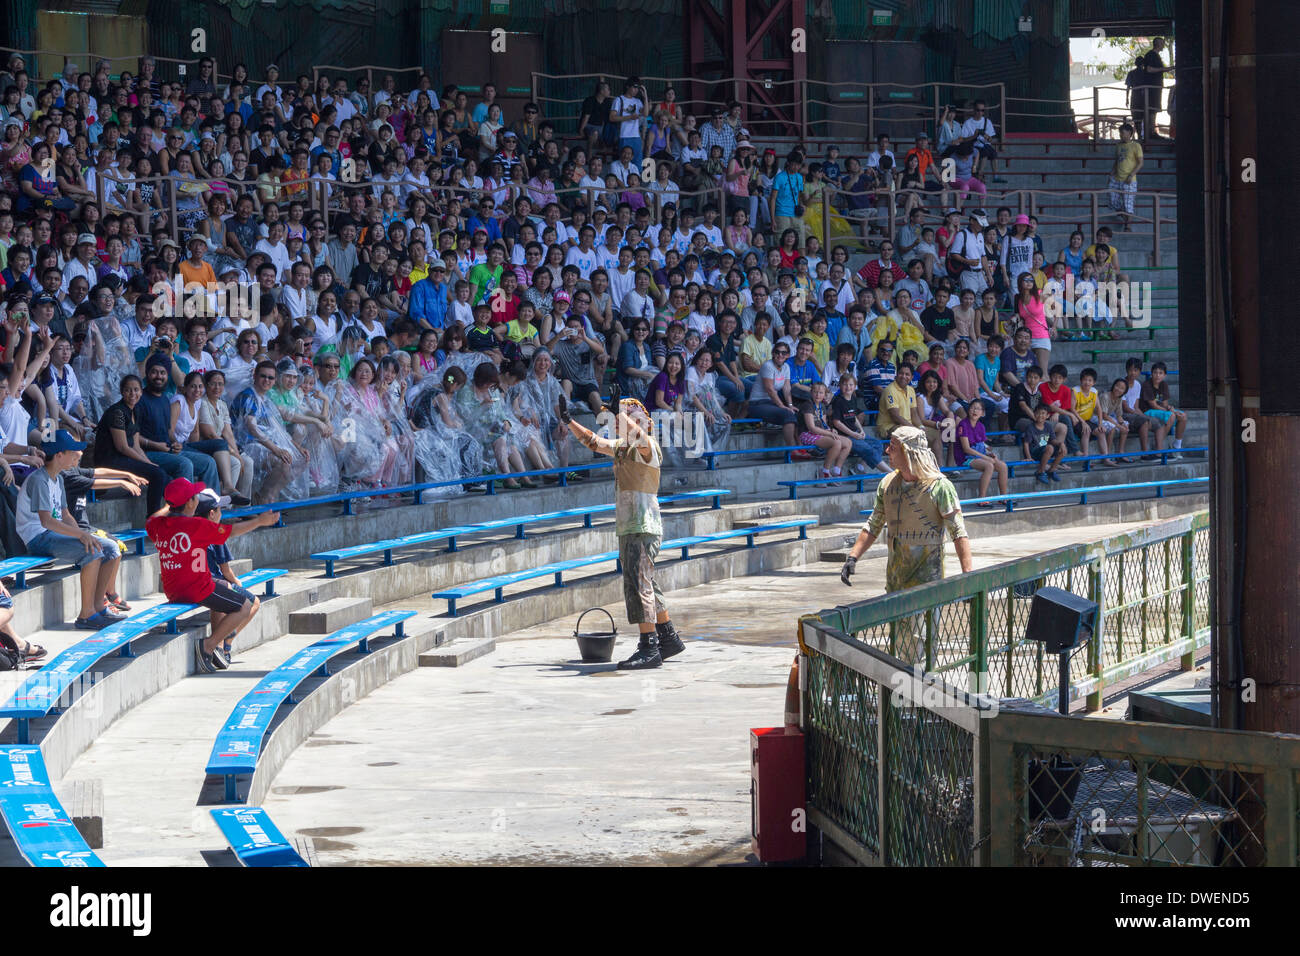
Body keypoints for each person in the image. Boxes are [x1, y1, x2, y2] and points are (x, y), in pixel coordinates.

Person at [559, 385, 684, 670]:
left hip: (642, 525)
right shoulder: (622, 448)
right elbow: (593, 442)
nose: (623, 419)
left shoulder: (648, 445)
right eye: (621, 415)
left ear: (646, 421)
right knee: (646, 582)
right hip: (631, 526)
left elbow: (635, 434)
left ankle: (648, 647)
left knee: (638, 585)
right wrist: (569, 421)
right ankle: (668, 638)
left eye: (630, 414)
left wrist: (618, 413)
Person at [839, 426, 972, 664]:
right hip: (895, 582)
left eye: (893, 447)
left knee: (921, 643)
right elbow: (874, 524)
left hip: (926, 583)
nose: (887, 451)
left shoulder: (939, 487)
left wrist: (967, 575)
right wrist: (853, 557)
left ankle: (921, 685)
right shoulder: (888, 484)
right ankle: (902, 683)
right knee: (899, 643)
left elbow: (958, 532)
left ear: (909, 451)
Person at [145, 477, 278, 672]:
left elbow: (151, 519)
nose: (197, 499)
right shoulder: (197, 525)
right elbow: (232, 531)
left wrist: (169, 506)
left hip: (173, 589)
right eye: (194, 496)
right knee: (244, 606)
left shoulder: (158, 525)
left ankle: (219, 645)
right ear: (190, 503)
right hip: (197, 589)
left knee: (225, 587)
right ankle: (209, 645)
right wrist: (259, 521)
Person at [16, 429, 124, 630]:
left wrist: (84, 535)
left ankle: (99, 607)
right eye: (72, 452)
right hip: (38, 537)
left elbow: (65, 515)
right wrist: (81, 535)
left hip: (52, 533)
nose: (77, 456)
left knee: (111, 547)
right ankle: (86, 615)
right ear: (59, 455)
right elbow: (46, 521)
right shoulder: (39, 480)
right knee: (93, 552)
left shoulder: (57, 478)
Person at [1108, 124, 1143, 232]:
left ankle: (1128, 226)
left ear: (1129, 133)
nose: (1121, 135)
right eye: (1120, 133)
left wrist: (1131, 174)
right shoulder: (1118, 146)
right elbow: (1117, 161)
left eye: (1123, 133)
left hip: (1129, 179)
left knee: (1128, 203)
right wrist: (1111, 173)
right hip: (1117, 178)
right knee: (1112, 201)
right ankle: (1125, 217)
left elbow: (1140, 163)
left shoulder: (1136, 146)